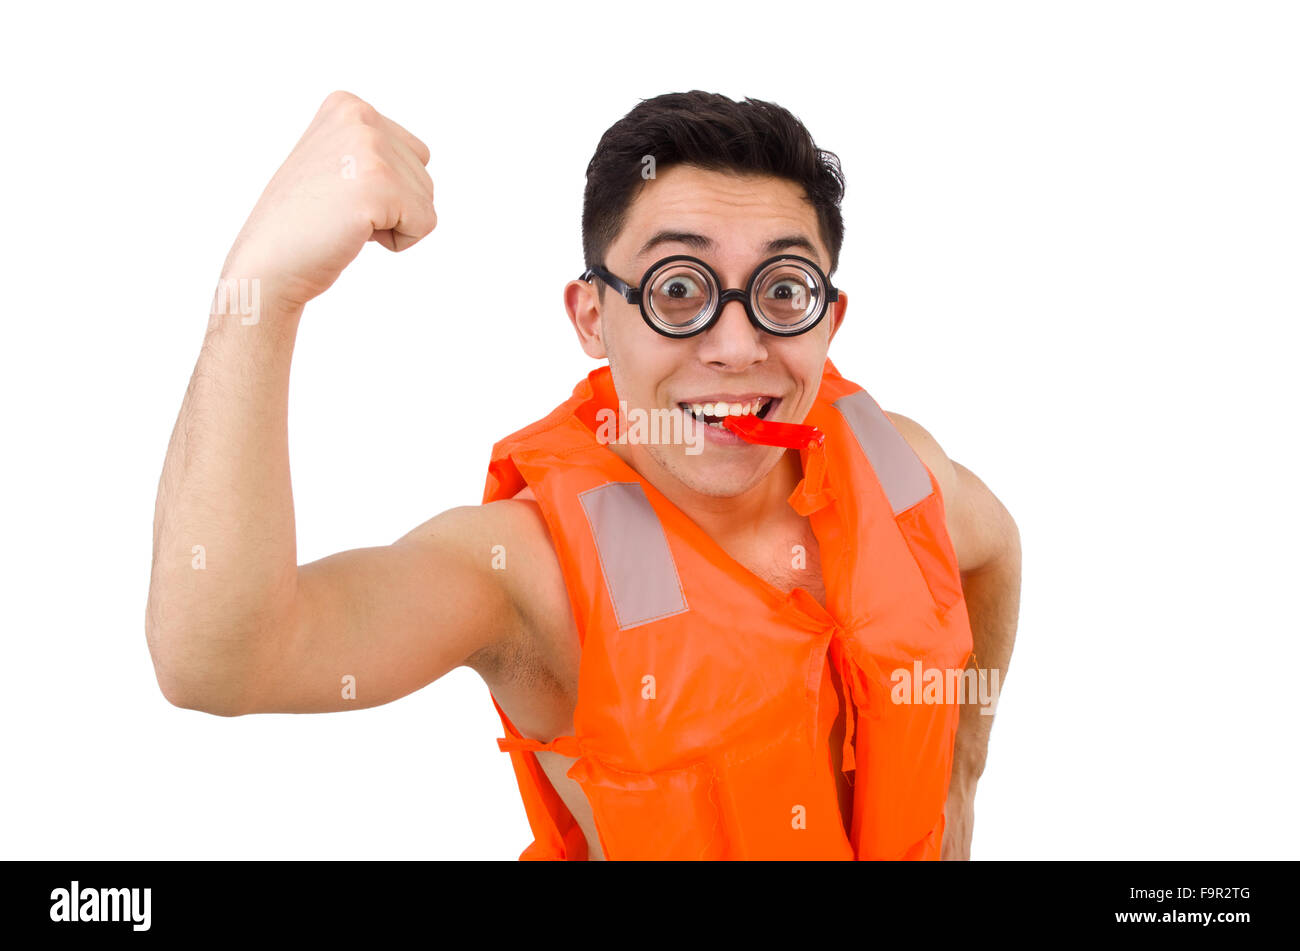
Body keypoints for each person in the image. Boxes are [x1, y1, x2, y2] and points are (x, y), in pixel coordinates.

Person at [146, 89, 1022, 861]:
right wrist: (259, 292)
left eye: (782, 290)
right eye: (679, 290)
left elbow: (996, 549)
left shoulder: (898, 462)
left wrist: (963, 772)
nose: (735, 346)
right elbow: (219, 663)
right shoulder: (527, 570)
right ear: (593, 316)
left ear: (828, 318)